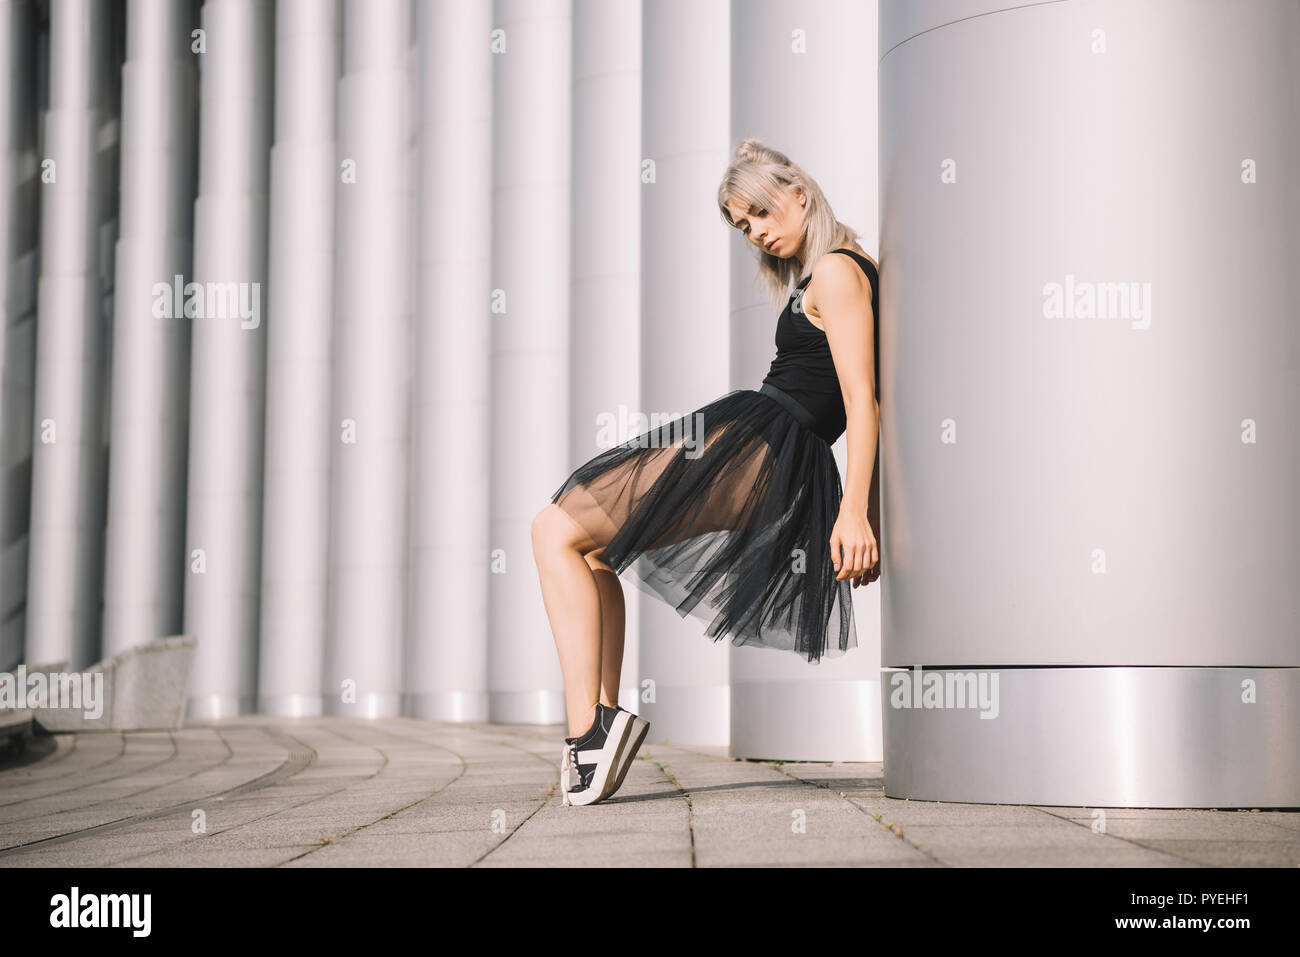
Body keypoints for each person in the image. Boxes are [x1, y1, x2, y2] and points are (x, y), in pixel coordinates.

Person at [530, 138, 881, 806]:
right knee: (589, 546)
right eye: (744, 226)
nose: (758, 234)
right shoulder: (830, 270)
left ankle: (588, 735)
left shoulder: (838, 271)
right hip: (762, 442)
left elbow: (863, 398)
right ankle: (600, 722)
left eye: (762, 214)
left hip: (763, 444)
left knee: (554, 529)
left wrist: (856, 509)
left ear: (800, 191)